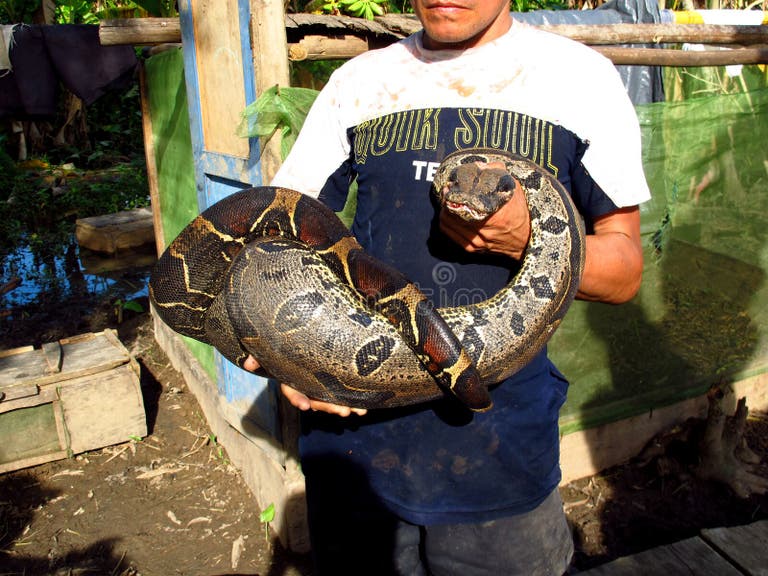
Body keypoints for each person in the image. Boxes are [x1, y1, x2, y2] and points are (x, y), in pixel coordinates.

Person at [249, 0, 650, 573]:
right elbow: (281, 236)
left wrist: (525, 240)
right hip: (355, 446)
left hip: (499, 447)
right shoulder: (359, 83)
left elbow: (625, 271)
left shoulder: (578, 79)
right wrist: (284, 349)